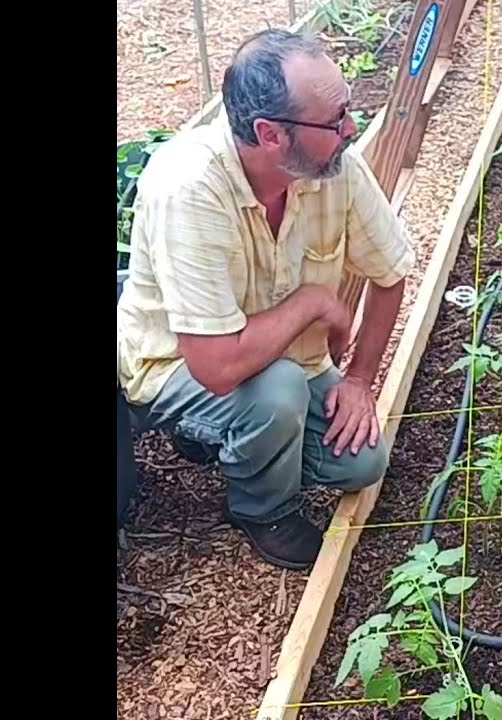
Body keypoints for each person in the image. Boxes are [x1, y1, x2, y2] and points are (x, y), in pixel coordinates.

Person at [116, 29, 416, 570]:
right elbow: (217, 366)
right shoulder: (189, 189)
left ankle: (237, 440)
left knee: (361, 462)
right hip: (174, 363)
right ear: (270, 134)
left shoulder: (331, 168)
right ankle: (262, 509)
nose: (351, 129)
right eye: (335, 121)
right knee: (275, 392)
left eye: (347, 111)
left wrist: (358, 381)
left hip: (279, 364)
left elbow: (391, 274)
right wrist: (311, 302)